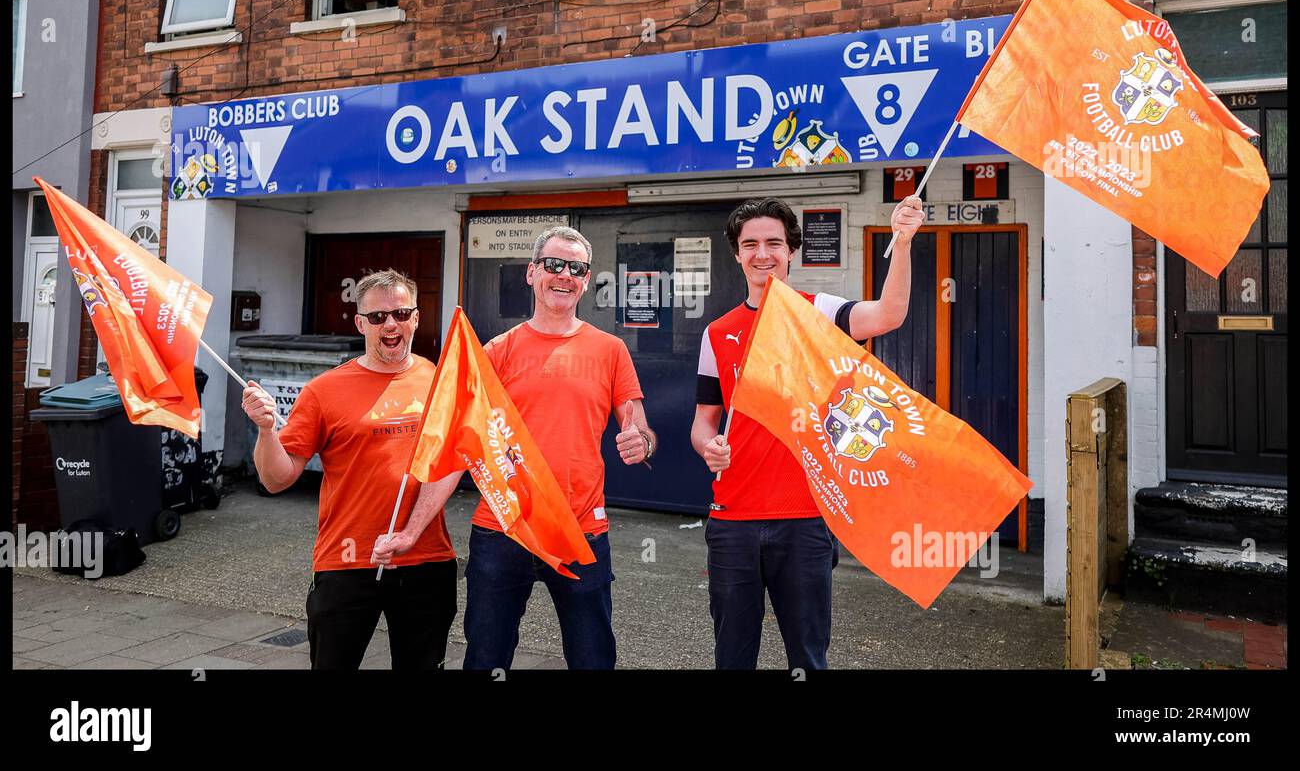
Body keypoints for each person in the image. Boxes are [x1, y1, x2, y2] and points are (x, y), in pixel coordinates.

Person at [691, 195, 925, 669]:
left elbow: (888, 315)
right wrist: (707, 447)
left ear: (791, 250)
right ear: (737, 253)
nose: (763, 253)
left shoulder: (819, 311)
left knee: (809, 658)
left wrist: (901, 245)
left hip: (805, 519)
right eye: (750, 243)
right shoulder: (718, 332)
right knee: (732, 658)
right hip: (732, 520)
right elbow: (703, 422)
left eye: (774, 243)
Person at [241, 268, 461, 670]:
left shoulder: (440, 380)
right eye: (377, 317)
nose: (390, 324)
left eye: (400, 313)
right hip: (346, 562)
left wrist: (411, 532)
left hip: (426, 560)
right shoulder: (323, 391)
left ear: (416, 317)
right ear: (360, 323)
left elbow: (455, 460)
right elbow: (276, 479)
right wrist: (266, 431)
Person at [463, 226, 655, 671]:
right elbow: (463, 439)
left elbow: (639, 428)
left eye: (576, 268)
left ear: (586, 280)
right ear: (532, 273)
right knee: (486, 657)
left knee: (592, 658)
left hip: (581, 529)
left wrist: (640, 442)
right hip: (503, 528)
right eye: (553, 265)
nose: (563, 275)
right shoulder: (497, 351)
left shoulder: (610, 350)